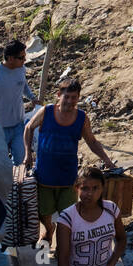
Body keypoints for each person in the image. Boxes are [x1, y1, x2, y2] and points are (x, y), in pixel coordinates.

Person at [24, 77, 115, 247]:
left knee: (67, 214)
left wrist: (107, 160)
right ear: (59, 95)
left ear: (78, 98)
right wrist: (27, 153)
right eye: (67, 97)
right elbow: (28, 128)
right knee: (43, 211)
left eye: (74, 98)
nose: (70, 101)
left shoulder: (81, 118)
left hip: (68, 177)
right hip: (44, 175)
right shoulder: (47, 112)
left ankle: (62, 244)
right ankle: (48, 229)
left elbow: (92, 142)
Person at [56, 167, 126, 266]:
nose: (90, 193)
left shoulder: (111, 209)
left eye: (95, 188)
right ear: (76, 188)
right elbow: (63, 258)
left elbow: (122, 239)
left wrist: (112, 263)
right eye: (85, 188)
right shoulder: (67, 219)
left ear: (102, 188)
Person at [0, 40, 36, 167]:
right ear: (10, 58)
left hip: (18, 125)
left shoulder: (21, 69)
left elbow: (24, 85)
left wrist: (32, 97)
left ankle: (19, 185)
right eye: (21, 57)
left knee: (21, 160)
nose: (24, 60)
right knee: (1, 164)